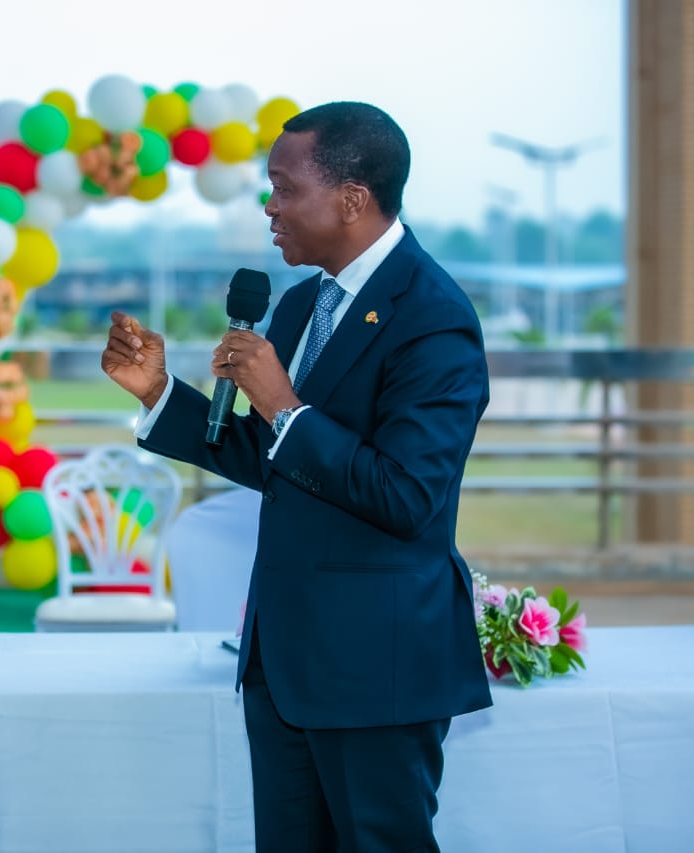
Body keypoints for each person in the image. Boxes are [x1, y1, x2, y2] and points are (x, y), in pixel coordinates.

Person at [101, 102, 492, 851]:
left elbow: (407, 495)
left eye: (283, 187)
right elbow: (274, 458)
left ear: (351, 198)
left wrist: (283, 400)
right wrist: (159, 392)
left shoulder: (432, 317)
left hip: (377, 666)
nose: (269, 206)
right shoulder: (303, 300)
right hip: (284, 661)